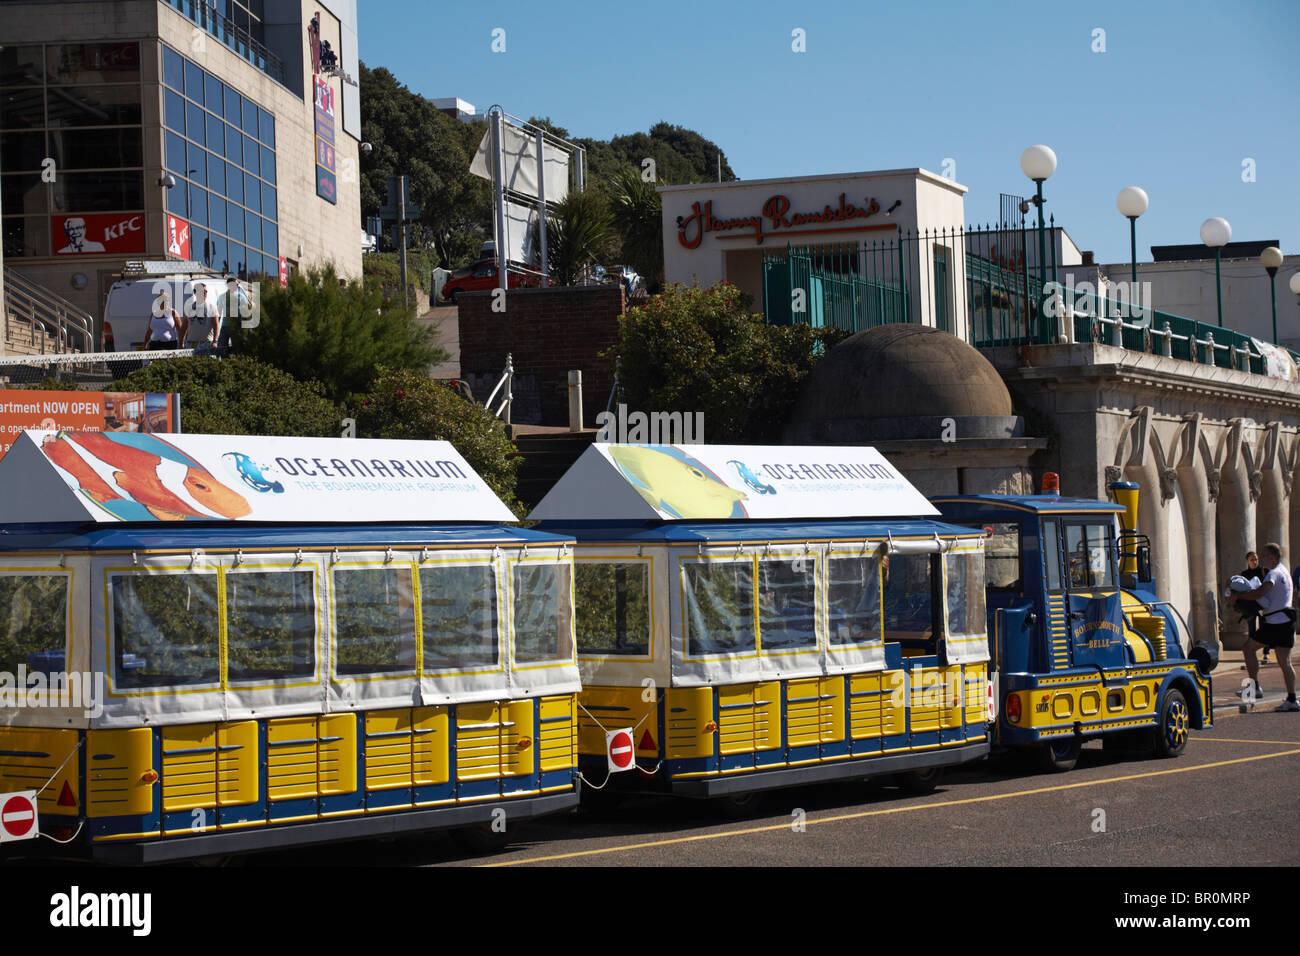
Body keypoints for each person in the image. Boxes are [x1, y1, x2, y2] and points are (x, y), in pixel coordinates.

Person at [1227, 542, 1298, 711]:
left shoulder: (1273, 574)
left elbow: (1261, 592)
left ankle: (1255, 688)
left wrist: (1239, 596)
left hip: (1276, 623)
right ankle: (1292, 699)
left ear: (1272, 557)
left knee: (1248, 649)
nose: (1261, 558)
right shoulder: (1284, 571)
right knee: (1285, 661)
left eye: (1264, 555)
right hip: (1286, 621)